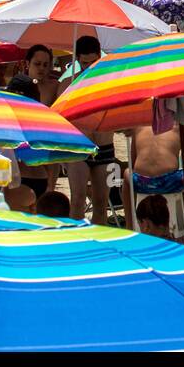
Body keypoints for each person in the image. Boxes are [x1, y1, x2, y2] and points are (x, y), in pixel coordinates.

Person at [128, 120, 184, 242]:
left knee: (126, 175)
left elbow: (133, 163)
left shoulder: (138, 124)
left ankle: (129, 228)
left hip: (141, 182)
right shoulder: (180, 124)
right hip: (169, 181)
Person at [61, 36, 119, 225]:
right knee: (77, 199)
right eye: (84, 63)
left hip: (104, 146)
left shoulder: (110, 83)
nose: (88, 67)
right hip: (79, 148)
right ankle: (77, 243)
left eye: (93, 62)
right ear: (77, 60)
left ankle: (99, 244)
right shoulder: (69, 84)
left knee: (101, 202)